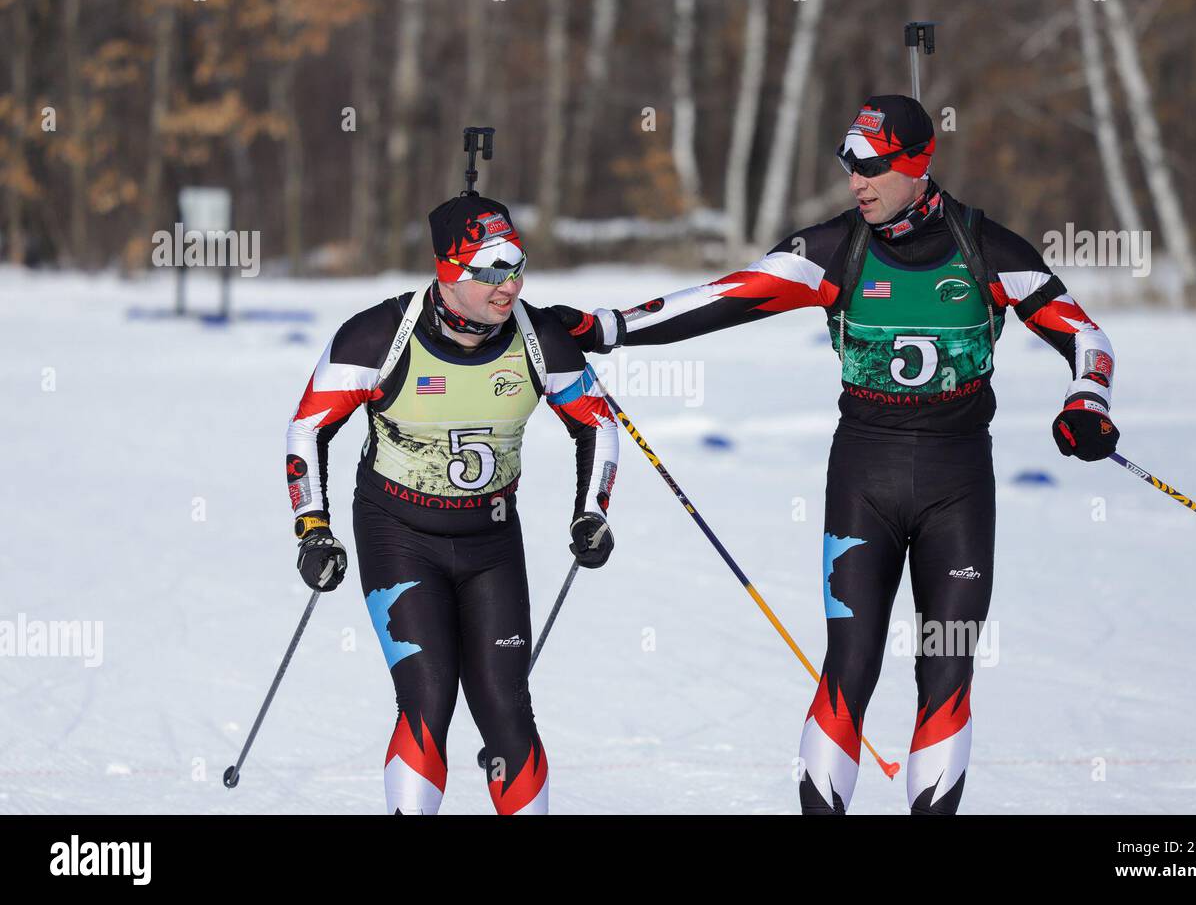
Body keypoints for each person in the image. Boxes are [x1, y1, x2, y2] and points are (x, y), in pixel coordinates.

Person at [549, 95, 1118, 815]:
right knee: (850, 667)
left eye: (874, 168)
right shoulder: (834, 250)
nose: (857, 183)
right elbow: (721, 297)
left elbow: (1086, 337)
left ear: (917, 165)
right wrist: (604, 327)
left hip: (958, 487)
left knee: (947, 669)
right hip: (864, 481)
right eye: (850, 167)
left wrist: (1087, 402)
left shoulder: (989, 250)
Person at [285, 194, 619, 815]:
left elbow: (598, 423)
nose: (508, 285)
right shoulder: (378, 334)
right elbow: (308, 426)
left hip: (491, 540)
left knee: (506, 706)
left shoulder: (540, 336)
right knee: (428, 695)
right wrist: (313, 529)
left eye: (516, 265)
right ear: (448, 270)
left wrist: (591, 511)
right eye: (490, 270)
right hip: (398, 534)